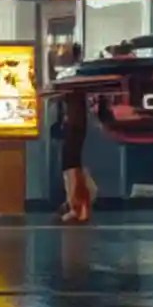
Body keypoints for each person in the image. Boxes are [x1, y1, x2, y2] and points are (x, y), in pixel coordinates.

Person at [56, 44, 97, 223]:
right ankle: (79, 206)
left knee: (71, 165)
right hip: (75, 123)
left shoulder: (73, 74)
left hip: (74, 123)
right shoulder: (80, 73)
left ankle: (78, 205)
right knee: (72, 164)